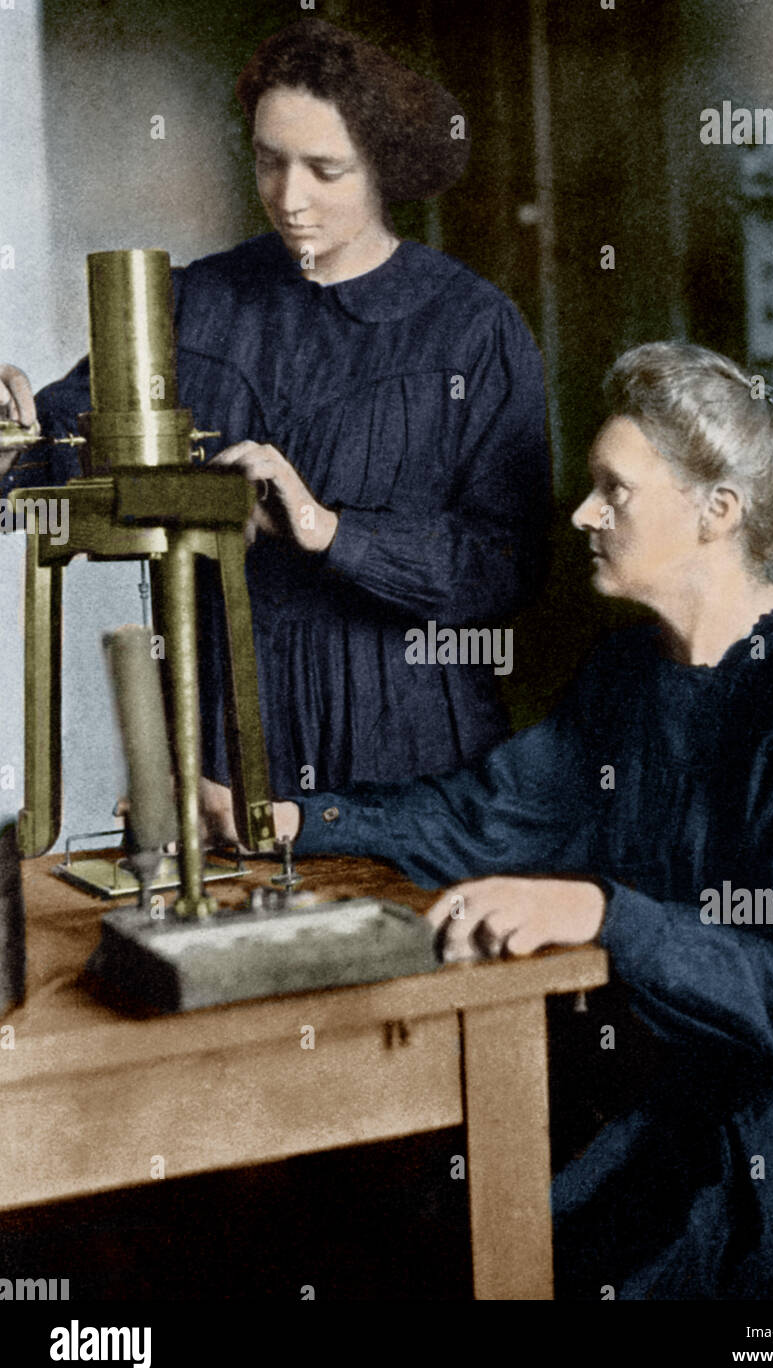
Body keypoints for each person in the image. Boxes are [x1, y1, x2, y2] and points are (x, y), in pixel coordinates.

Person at [204, 341, 773, 1299]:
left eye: (613, 491)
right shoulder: (627, 674)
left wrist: (598, 913)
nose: (584, 514)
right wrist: (290, 819)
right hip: (684, 1110)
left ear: (717, 513)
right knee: (436, 1248)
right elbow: (480, 817)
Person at [0, 17, 551, 795]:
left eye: (325, 170)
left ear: (383, 166)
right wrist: (13, 445)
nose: (289, 198)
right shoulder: (193, 302)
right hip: (225, 745)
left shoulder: (469, 327)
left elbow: (508, 567)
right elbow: (60, 451)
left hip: (409, 748)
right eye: (269, 162)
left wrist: (327, 529)